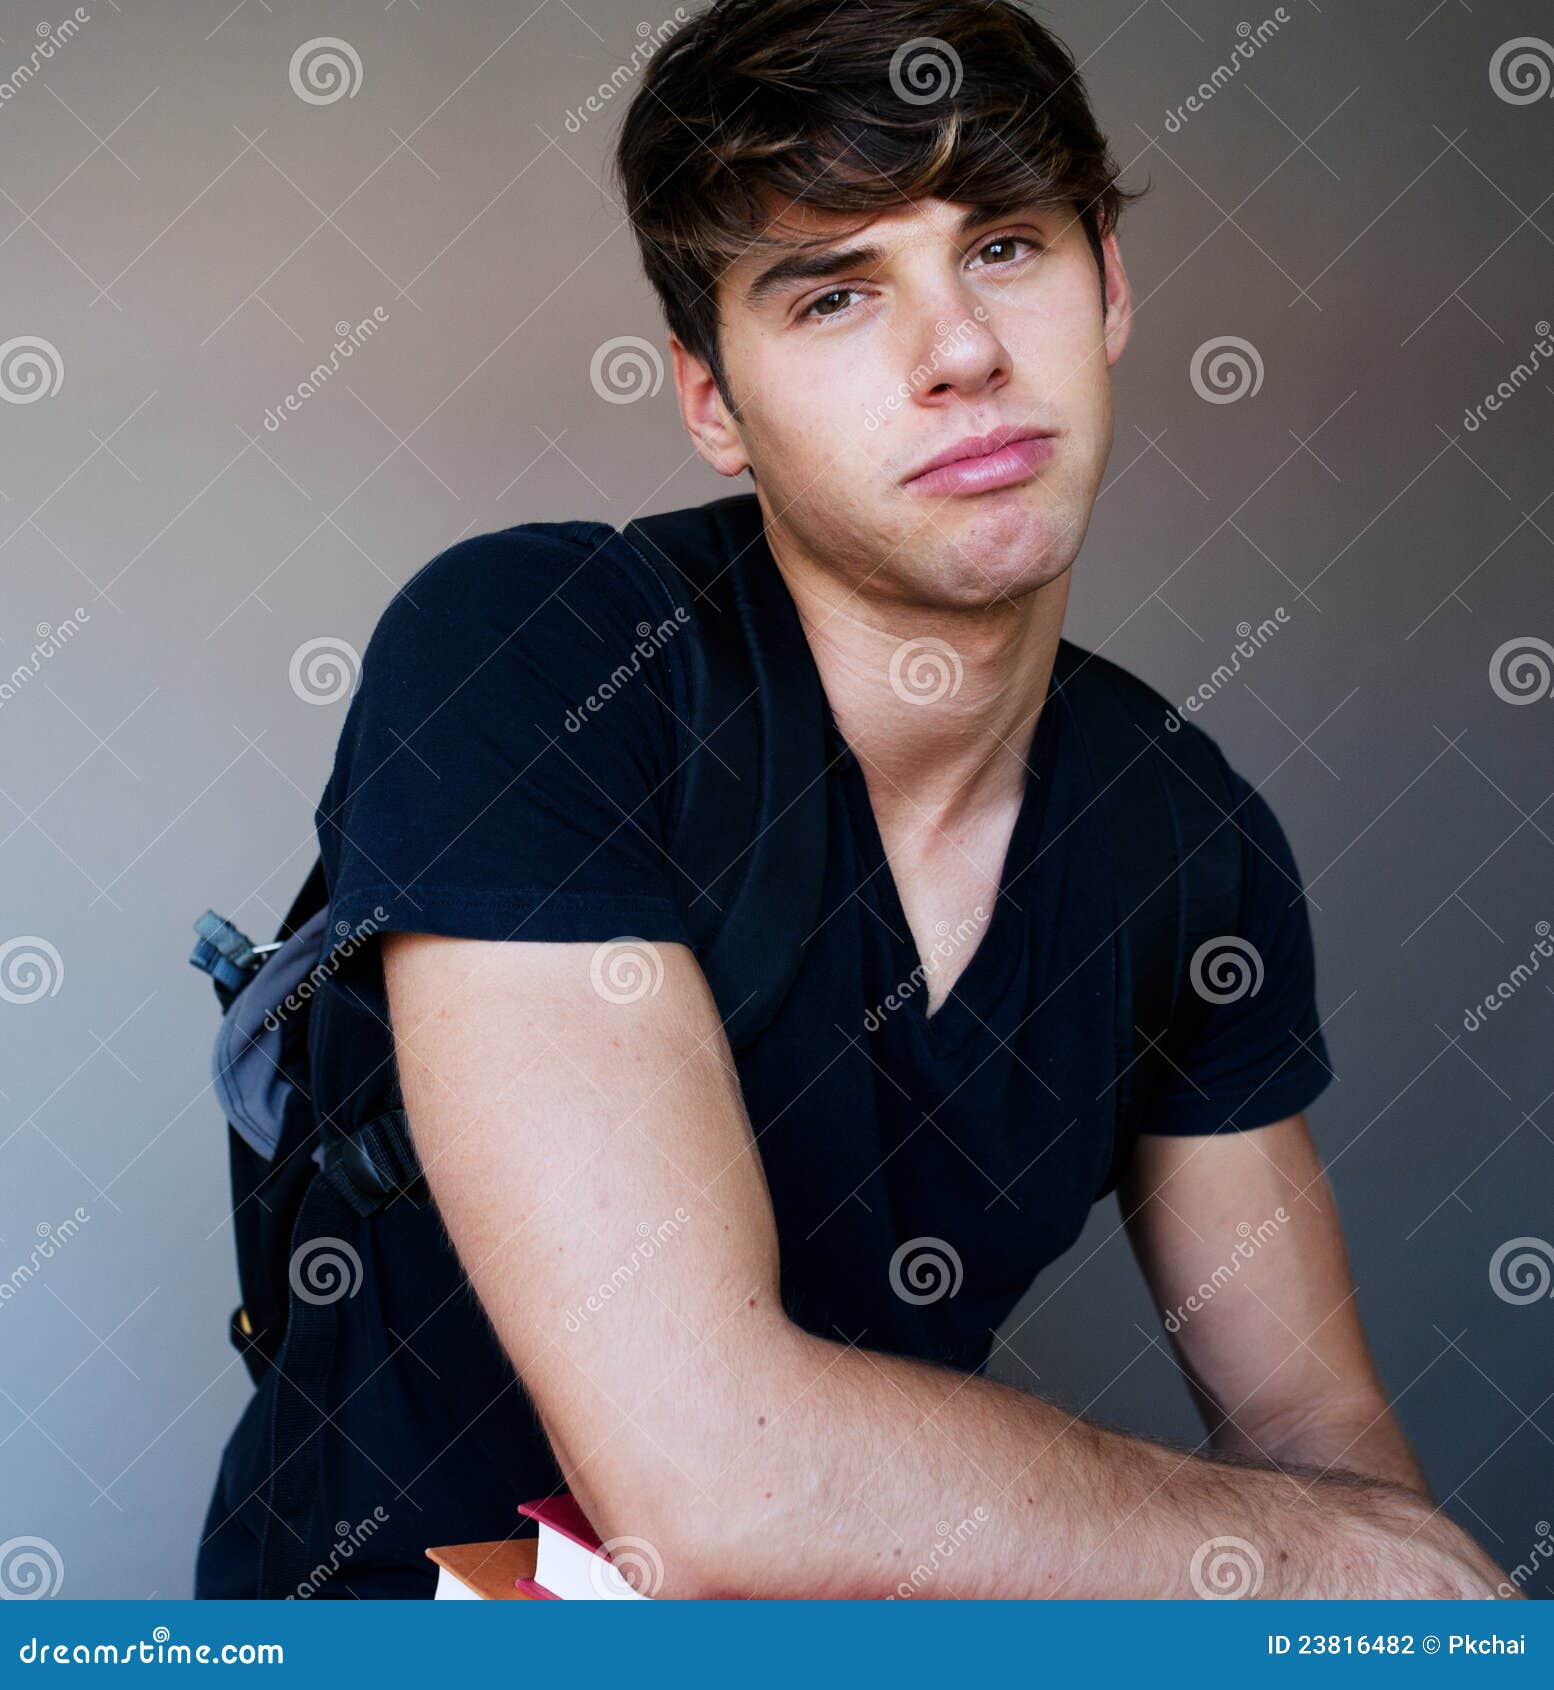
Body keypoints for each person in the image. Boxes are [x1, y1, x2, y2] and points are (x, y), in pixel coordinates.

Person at [195, 0, 1516, 1599]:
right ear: (711, 403)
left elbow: (1319, 1440)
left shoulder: (1181, 827)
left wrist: (1396, 1599)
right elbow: (708, 1476)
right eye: (832, 293)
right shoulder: (540, 658)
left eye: (1005, 248)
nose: (957, 349)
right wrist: (1309, 1564)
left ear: (1106, 289)